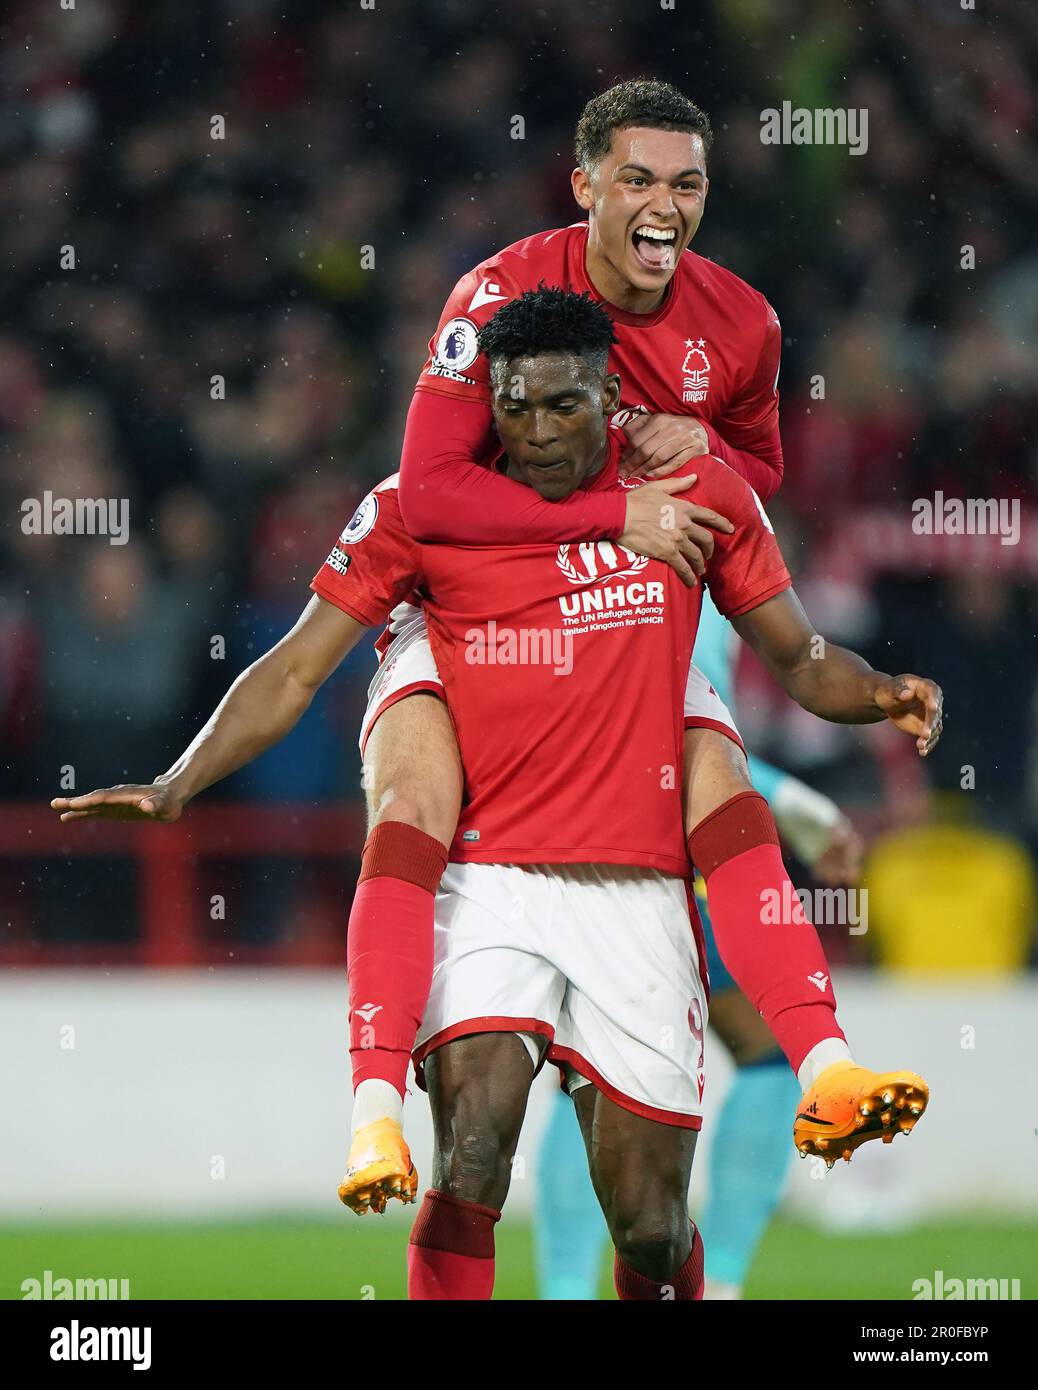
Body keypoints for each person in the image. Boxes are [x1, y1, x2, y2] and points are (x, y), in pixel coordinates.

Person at [53, 289, 941, 1300]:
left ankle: (821, 1076)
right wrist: (180, 782)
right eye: (515, 407)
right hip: (488, 880)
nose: (539, 431)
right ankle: (377, 1113)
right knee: (471, 1158)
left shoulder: (696, 491)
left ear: (611, 393)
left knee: (651, 1226)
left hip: (634, 884)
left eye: (564, 405)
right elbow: (296, 667)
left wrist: (879, 692)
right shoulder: (424, 511)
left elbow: (798, 655)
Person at [336, 77, 920, 1212]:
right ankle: (371, 1108)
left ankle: (827, 1066)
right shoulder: (496, 292)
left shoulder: (743, 323)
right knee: (412, 801)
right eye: (639, 179)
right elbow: (435, 489)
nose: (665, 205)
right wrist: (619, 511)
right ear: (584, 185)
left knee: (716, 781)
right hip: (477, 604)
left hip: (620, 610)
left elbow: (754, 480)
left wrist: (696, 447)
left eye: (688, 183)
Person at [534, 587, 865, 1301]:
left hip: (582, 851)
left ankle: (567, 1289)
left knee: (586, 1071)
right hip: (662, 846)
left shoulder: (579, 558)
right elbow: (672, 726)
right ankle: (722, 1283)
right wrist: (794, 801)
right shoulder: (690, 564)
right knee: (765, 1055)